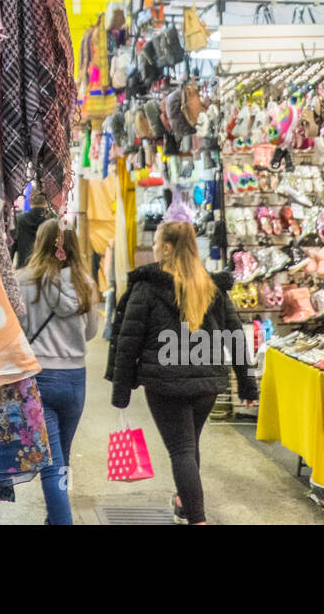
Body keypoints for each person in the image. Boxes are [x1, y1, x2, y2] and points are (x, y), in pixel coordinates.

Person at [108, 221, 258, 525]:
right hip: (207, 384)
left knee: (181, 450)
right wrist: (246, 383)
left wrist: (121, 390)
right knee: (189, 446)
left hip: (165, 384)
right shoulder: (211, 286)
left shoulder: (147, 287)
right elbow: (235, 335)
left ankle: (197, 519)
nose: (152, 249)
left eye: (155, 243)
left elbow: (128, 340)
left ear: (165, 248)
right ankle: (182, 502)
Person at [17, 218, 100, 525]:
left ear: (39, 243)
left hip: (38, 377)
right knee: (61, 458)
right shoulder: (85, 284)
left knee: (51, 465)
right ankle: (55, 519)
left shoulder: (23, 281)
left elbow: (18, 330)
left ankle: (61, 520)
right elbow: (91, 331)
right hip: (75, 380)